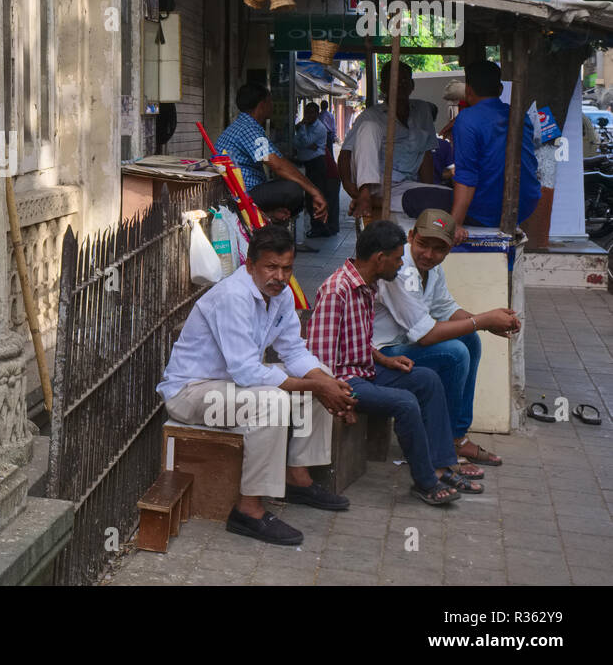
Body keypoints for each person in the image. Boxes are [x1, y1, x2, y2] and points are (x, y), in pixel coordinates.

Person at [158, 224, 355, 545]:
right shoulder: (232, 297)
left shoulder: (282, 295)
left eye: (287, 268)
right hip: (190, 394)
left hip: (230, 387)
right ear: (250, 266)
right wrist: (317, 387)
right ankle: (248, 511)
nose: (279, 276)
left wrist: (330, 385)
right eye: (271, 267)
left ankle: (297, 477)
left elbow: (293, 350)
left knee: (319, 372)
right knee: (273, 401)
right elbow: (247, 373)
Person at [307, 219, 479, 505]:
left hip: (366, 370)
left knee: (426, 379)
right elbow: (320, 355)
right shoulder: (336, 290)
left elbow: (358, 338)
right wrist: (338, 401)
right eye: (398, 259)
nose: (401, 265)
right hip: (345, 381)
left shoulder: (368, 285)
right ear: (379, 258)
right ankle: (425, 482)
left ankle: (440, 463)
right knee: (405, 402)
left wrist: (384, 358)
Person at [372, 210, 520, 472]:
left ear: (450, 248)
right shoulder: (401, 269)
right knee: (455, 353)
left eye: (439, 248)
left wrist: (488, 323)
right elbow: (426, 334)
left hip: (405, 344)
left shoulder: (432, 269)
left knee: (469, 339)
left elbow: (446, 308)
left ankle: (456, 435)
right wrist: (484, 320)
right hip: (382, 353)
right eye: (423, 245)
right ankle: (443, 444)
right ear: (411, 237)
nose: (429, 254)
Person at [338, 61, 452, 220]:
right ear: (383, 87)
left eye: (405, 80)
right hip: (374, 184)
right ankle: (366, 196)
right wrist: (352, 189)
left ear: (412, 85)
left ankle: (376, 202)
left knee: (448, 197)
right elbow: (345, 153)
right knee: (369, 126)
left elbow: (426, 154)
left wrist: (428, 189)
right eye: (394, 81)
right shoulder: (370, 115)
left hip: (404, 187)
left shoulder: (422, 111)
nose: (400, 85)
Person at [215, 84, 328, 237]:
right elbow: (278, 165)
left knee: (293, 187)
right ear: (262, 105)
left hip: (244, 191)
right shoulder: (248, 129)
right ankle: (267, 217)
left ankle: (268, 215)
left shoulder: (245, 126)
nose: (273, 106)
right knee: (293, 190)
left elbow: (278, 161)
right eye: (270, 101)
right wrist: (314, 191)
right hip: (239, 195)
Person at [449, 61, 540, 241]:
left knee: (413, 198)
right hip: (526, 203)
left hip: (486, 210)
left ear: (468, 90)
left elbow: (467, 176)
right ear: (499, 90)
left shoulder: (467, 119)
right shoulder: (520, 115)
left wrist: (455, 224)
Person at [294, 103, 330, 239]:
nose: (307, 116)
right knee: (309, 198)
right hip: (307, 163)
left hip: (317, 164)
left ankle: (320, 227)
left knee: (315, 195)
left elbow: (305, 142)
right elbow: (297, 143)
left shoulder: (319, 128)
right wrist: (307, 143)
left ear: (316, 114)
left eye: (311, 113)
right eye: (306, 112)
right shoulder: (306, 127)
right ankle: (317, 226)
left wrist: (302, 131)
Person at [316, 100, 343, 235]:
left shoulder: (319, 128)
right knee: (331, 202)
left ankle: (331, 227)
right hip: (330, 173)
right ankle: (331, 227)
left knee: (331, 202)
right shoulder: (330, 116)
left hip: (331, 175)